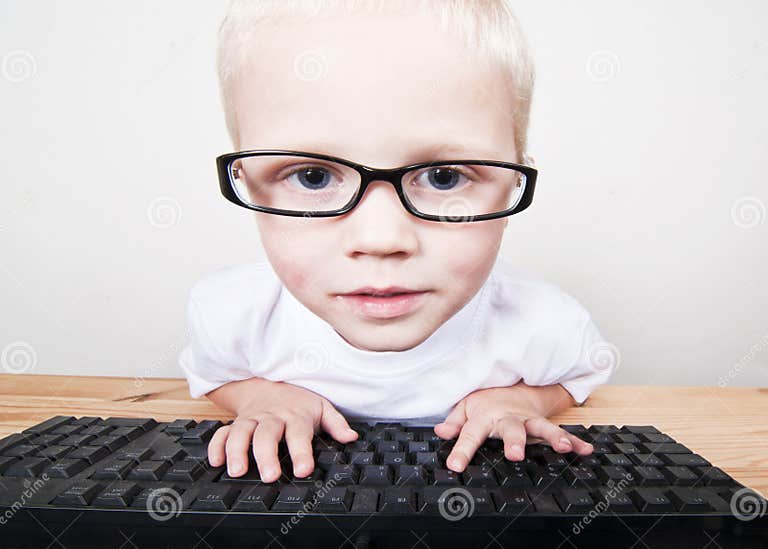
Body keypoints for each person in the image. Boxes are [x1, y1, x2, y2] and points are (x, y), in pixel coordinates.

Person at [179, 0, 616, 483]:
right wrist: (260, 396)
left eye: (445, 176)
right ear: (243, 175)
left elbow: (581, 372)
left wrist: (520, 399)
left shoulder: (541, 322)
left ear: (514, 183)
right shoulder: (234, 313)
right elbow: (215, 374)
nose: (382, 240)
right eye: (312, 175)